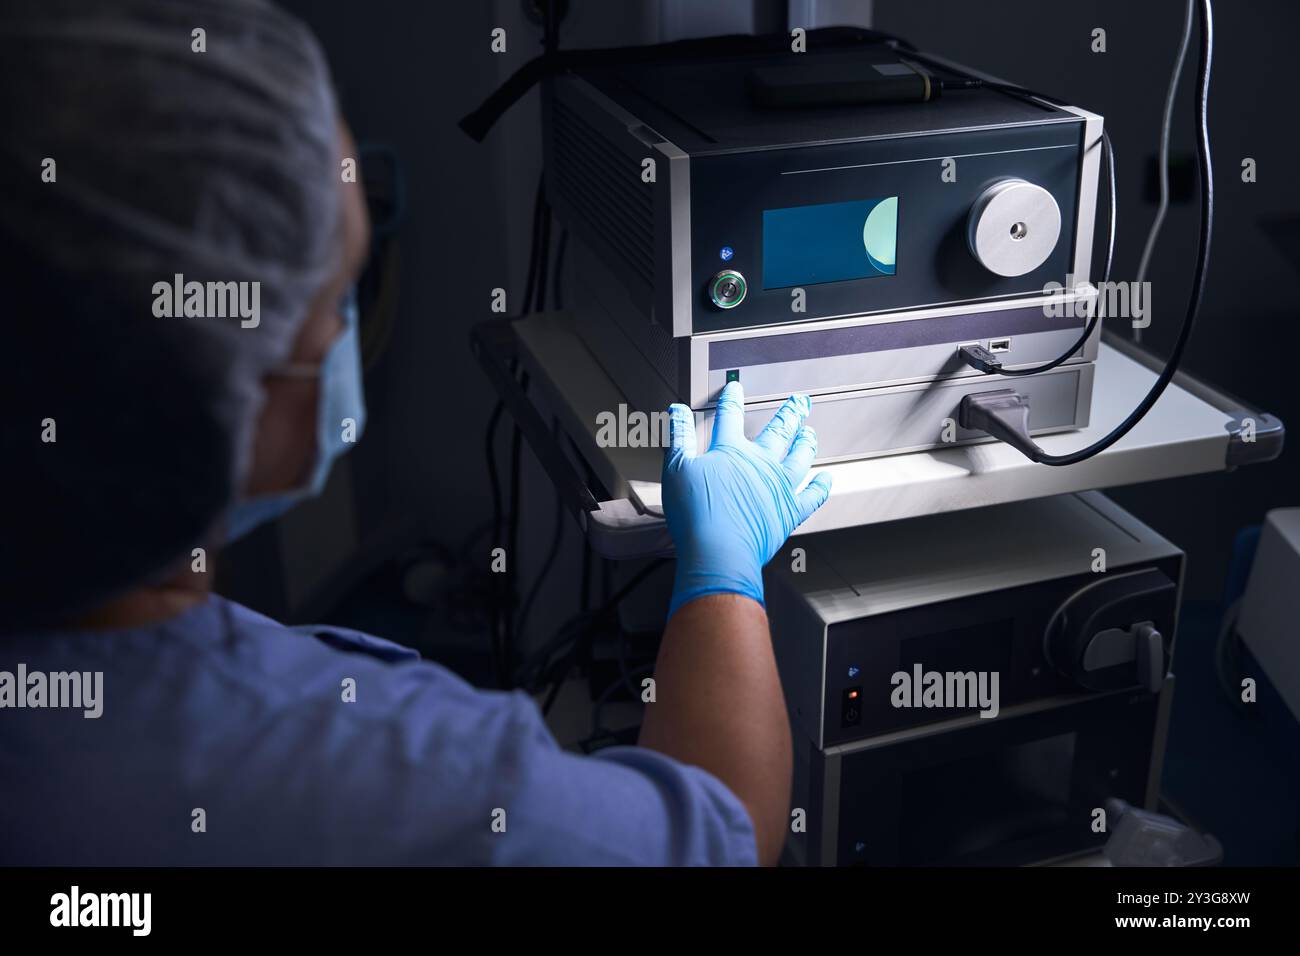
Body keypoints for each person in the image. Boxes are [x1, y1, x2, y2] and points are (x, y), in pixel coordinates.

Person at [0, 0, 831, 866]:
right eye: (332, 306)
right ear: (222, 391)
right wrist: (724, 570)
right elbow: (721, 837)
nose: (346, 336)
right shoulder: (395, 780)